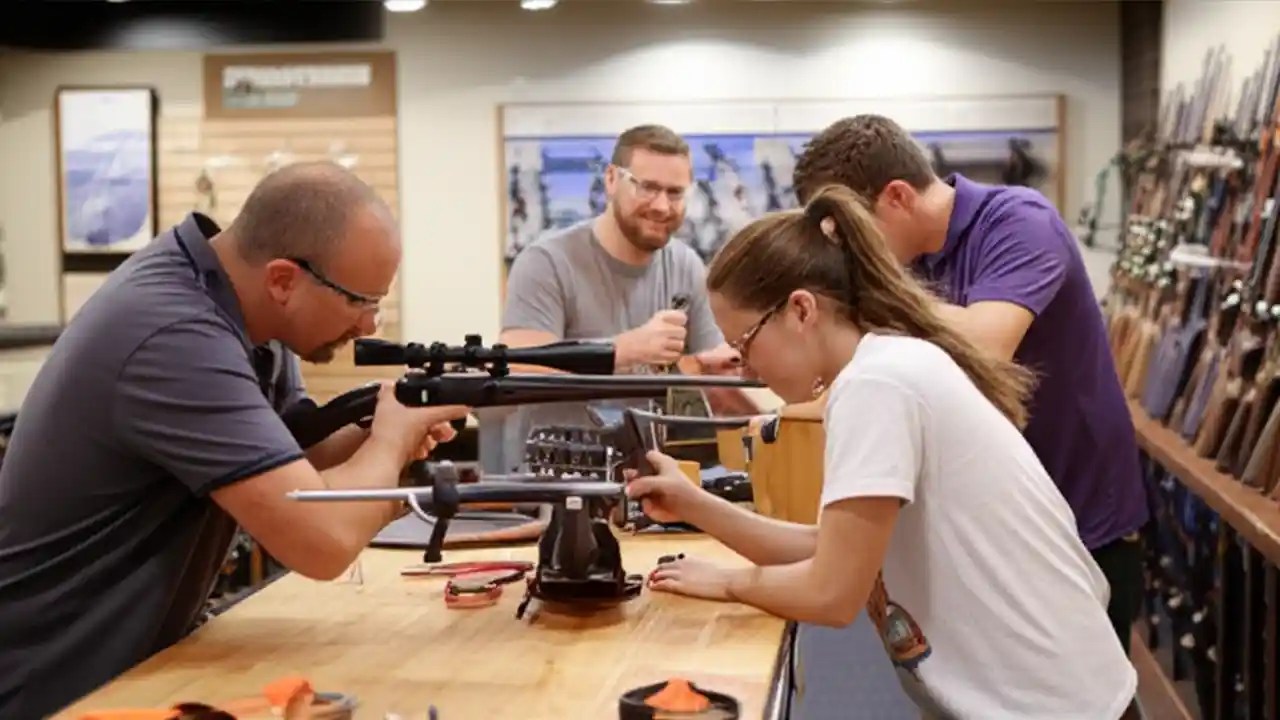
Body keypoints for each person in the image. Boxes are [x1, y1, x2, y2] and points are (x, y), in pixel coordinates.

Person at [626, 184, 1138, 719]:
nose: (747, 368)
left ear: (801, 310)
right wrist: (696, 504)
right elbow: (834, 548)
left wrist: (730, 582)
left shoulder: (878, 385)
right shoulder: (885, 368)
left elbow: (832, 592)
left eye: (745, 343)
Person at [0, 162, 469, 719]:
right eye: (357, 301)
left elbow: (293, 462)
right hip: (59, 689)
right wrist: (387, 446)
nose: (369, 325)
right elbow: (319, 541)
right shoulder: (175, 335)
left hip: (138, 668)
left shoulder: (243, 316)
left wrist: (392, 430)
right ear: (282, 280)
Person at [787, 114, 1149, 652]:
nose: (850, 251)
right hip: (996, 531)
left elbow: (984, 346)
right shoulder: (913, 260)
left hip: (1081, 523)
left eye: (852, 230)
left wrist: (873, 295)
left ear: (897, 197)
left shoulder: (1020, 220)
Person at [497, 124, 751, 469]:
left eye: (675, 193)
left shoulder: (685, 264)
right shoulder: (546, 262)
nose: (662, 206)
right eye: (647, 187)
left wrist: (735, 372)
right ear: (612, 179)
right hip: (557, 478)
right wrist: (625, 350)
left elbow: (711, 377)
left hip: (649, 474)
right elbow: (522, 371)